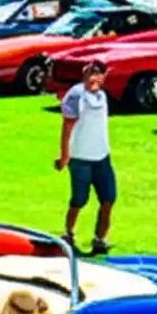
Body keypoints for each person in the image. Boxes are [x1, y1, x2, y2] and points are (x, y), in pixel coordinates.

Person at [54, 61, 115, 255]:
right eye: (90, 73)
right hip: (80, 158)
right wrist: (65, 156)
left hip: (102, 157)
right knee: (79, 199)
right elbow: (66, 128)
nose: (93, 78)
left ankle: (100, 239)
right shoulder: (76, 95)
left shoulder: (102, 96)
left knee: (108, 199)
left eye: (98, 74)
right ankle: (69, 234)